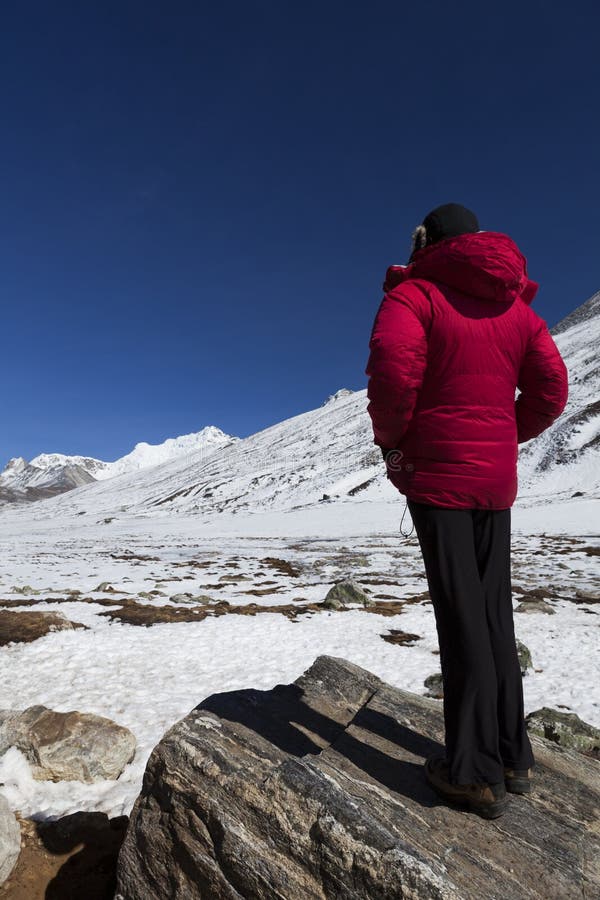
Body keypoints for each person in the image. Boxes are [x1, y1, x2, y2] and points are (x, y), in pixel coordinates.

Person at [365, 203, 569, 819]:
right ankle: (512, 756)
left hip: (440, 482)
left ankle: (473, 771)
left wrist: (396, 446)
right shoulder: (519, 312)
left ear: (427, 240)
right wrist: (503, 437)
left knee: (461, 622)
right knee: (493, 614)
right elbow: (552, 391)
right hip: (493, 483)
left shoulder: (415, 296)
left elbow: (393, 373)